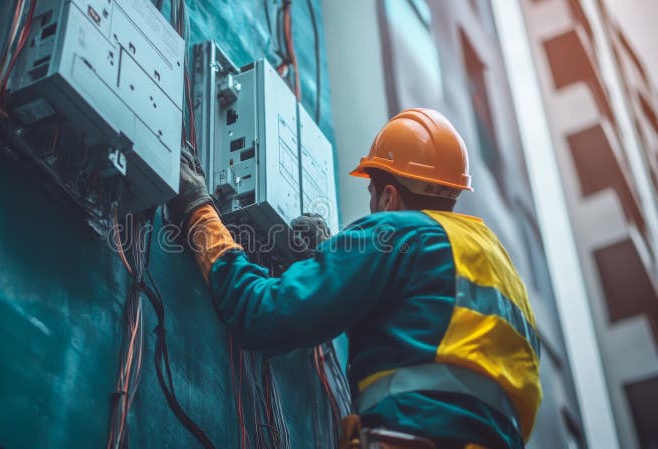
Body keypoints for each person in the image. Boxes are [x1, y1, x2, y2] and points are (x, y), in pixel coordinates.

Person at [168, 108, 541, 449]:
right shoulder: (497, 265)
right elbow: (426, 320)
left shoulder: (394, 234)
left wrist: (198, 208)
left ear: (389, 196)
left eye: (372, 195)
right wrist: (334, 256)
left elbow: (260, 313)